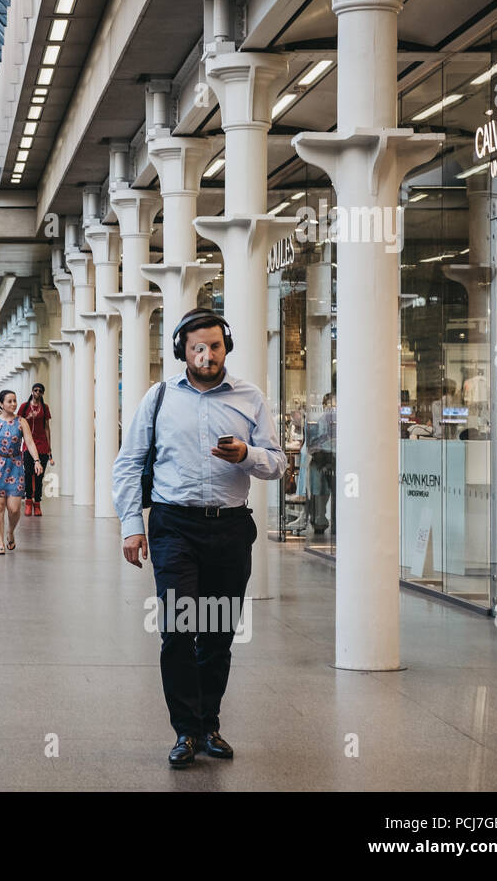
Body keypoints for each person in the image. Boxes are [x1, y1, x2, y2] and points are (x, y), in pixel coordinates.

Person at [112, 308, 284, 769]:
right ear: (182, 351)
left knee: (218, 634)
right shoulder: (160, 396)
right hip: (174, 527)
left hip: (229, 529)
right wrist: (132, 525)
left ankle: (210, 725)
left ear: (226, 347)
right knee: (176, 631)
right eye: (197, 347)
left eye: (215, 346)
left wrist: (247, 454)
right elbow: (129, 461)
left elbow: (277, 462)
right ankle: (185, 731)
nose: (207, 355)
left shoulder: (251, 397)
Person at [0, 390, 43, 554]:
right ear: (1, 404)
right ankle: (0, 543)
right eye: (9, 401)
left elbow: (30, 443)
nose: (13, 404)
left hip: (15, 465)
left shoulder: (21, 421)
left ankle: (10, 532)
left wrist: (37, 460)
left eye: (15, 401)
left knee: (14, 508)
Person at [18, 382, 54, 516]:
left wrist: (49, 447)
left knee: (39, 476)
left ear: (42, 393)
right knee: (28, 473)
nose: (37, 392)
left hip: (42, 444)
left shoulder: (45, 408)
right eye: (35, 390)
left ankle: (37, 503)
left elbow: (47, 427)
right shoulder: (24, 407)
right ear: (32, 391)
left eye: (40, 391)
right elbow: (18, 422)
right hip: (28, 443)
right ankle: (28, 501)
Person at [308, 392, 336, 535]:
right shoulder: (322, 420)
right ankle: (319, 520)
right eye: (330, 405)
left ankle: (321, 520)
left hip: (329, 458)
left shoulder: (327, 419)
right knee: (320, 492)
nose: (332, 408)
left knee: (325, 492)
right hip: (322, 458)